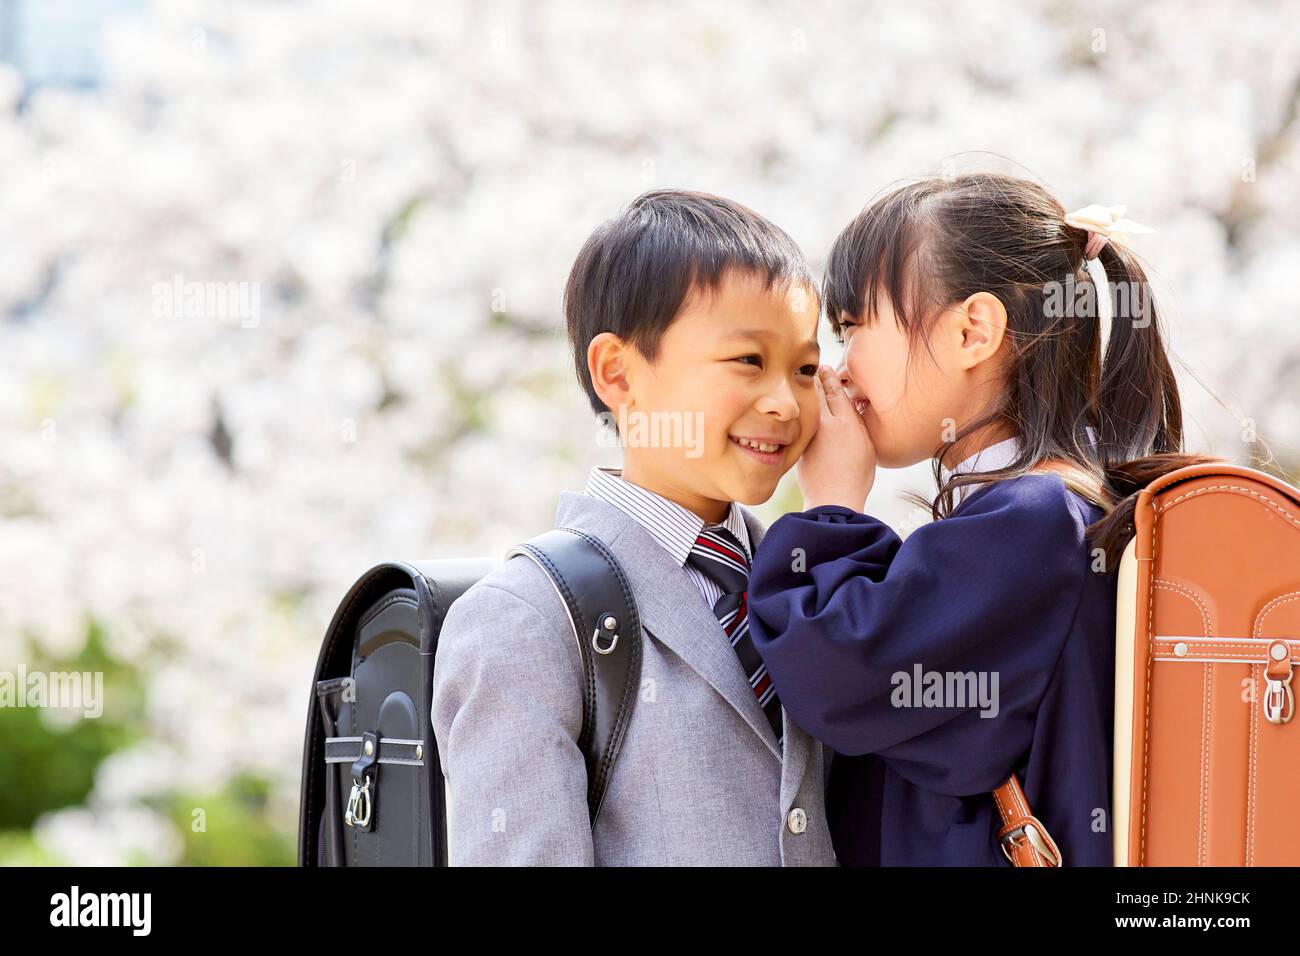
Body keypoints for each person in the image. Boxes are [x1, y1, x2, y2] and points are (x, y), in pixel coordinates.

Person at [746, 173, 1219, 865]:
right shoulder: (1055, 513)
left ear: (974, 331)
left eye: (855, 327)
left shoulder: (1034, 522)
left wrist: (832, 507)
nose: (840, 369)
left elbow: (839, 672)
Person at [432, 189, 838, 865]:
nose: (783, 402)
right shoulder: (525, 620)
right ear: (618, 372)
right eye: (748, 361)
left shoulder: (819, 589)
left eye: (805, 369)